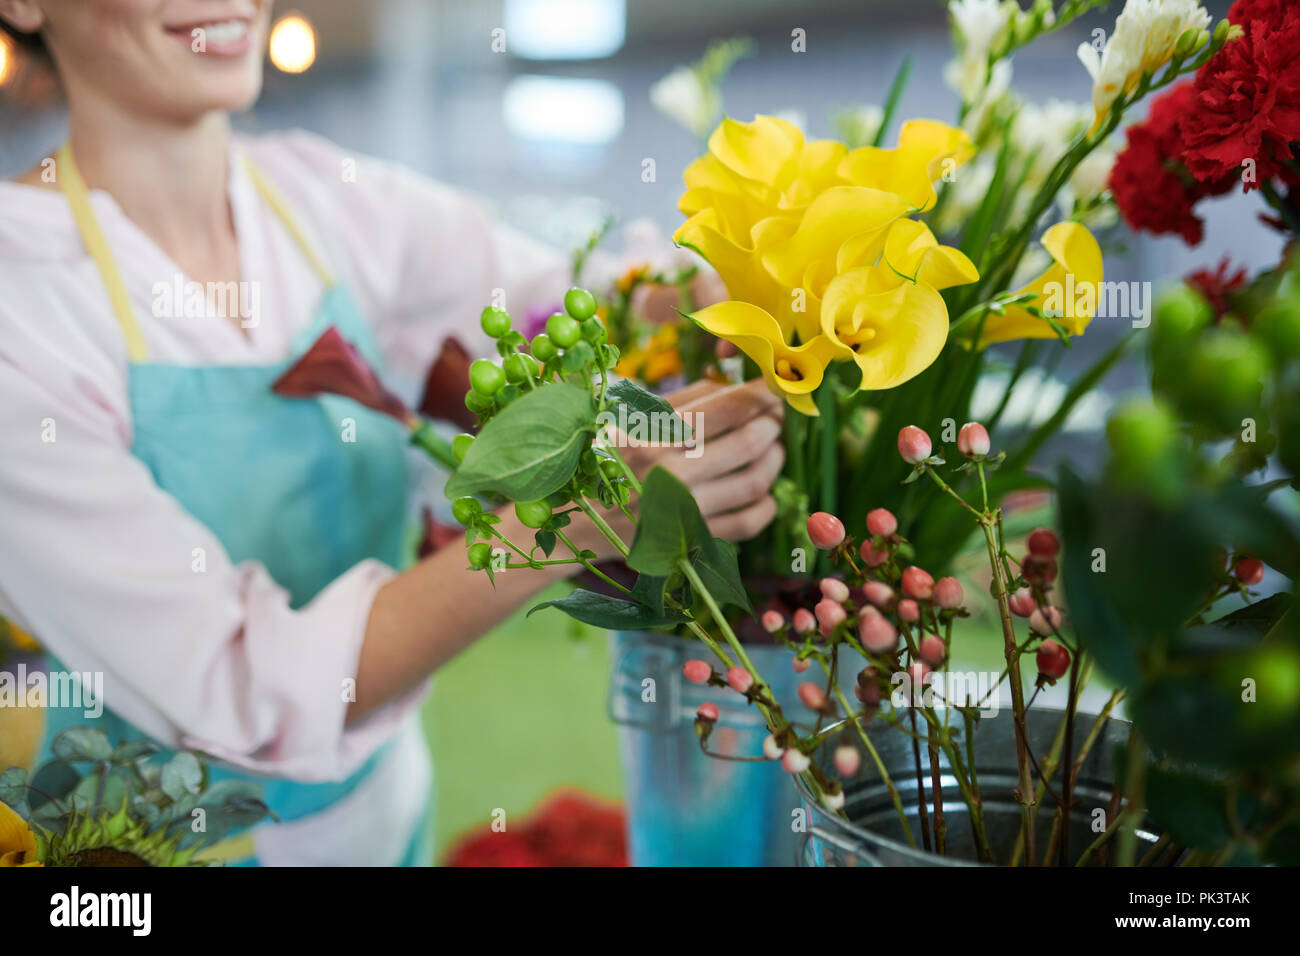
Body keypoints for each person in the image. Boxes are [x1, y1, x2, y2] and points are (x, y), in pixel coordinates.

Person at [0, 1, 784, 865]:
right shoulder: (21, 300)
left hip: (378, 816)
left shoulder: (323, 201)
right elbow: (238, 687)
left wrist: (709, 296)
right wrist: (571, 519)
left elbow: (553, 298)